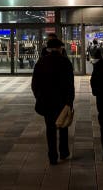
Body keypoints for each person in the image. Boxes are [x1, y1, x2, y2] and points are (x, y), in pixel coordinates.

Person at [31, 37, 74, 165]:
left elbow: (35, 84)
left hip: (46, 101)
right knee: (63, 126)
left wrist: (39, 96)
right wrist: (70, 101)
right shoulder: (65, 62)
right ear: (60, 48)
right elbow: (70, 84)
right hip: (62, 101)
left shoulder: (41, 62)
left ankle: (52, 156)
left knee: (50, 129)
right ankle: (64, 152)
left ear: (49, 49)